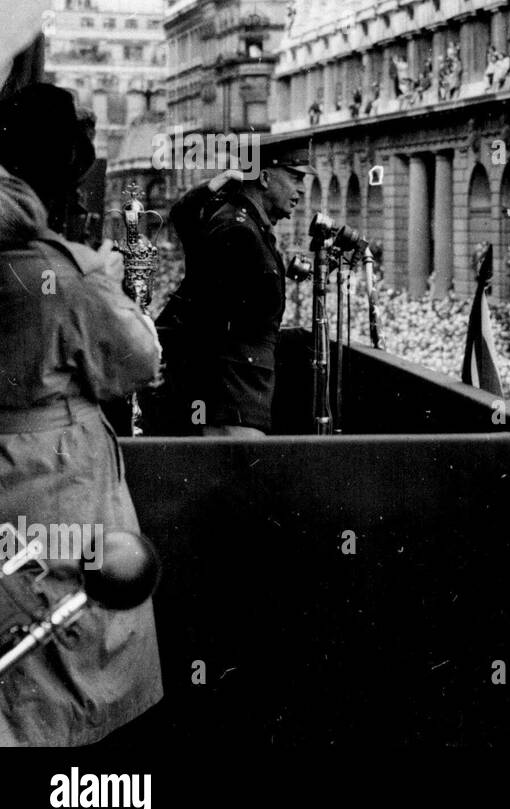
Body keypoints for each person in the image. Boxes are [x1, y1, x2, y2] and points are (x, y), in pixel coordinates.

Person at [0, 83, 163, 745]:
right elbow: (137, 362)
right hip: (55, 485)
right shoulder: (64, 271)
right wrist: (107, 279)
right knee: (65, 666)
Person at [153, 158, 311, 436]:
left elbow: (184, 215)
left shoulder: (245, 223)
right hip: (233, 405)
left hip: (239, 399)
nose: (301, 189)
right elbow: (214, 325)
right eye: (295, 178)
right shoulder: (239, 232)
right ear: (264, 178)